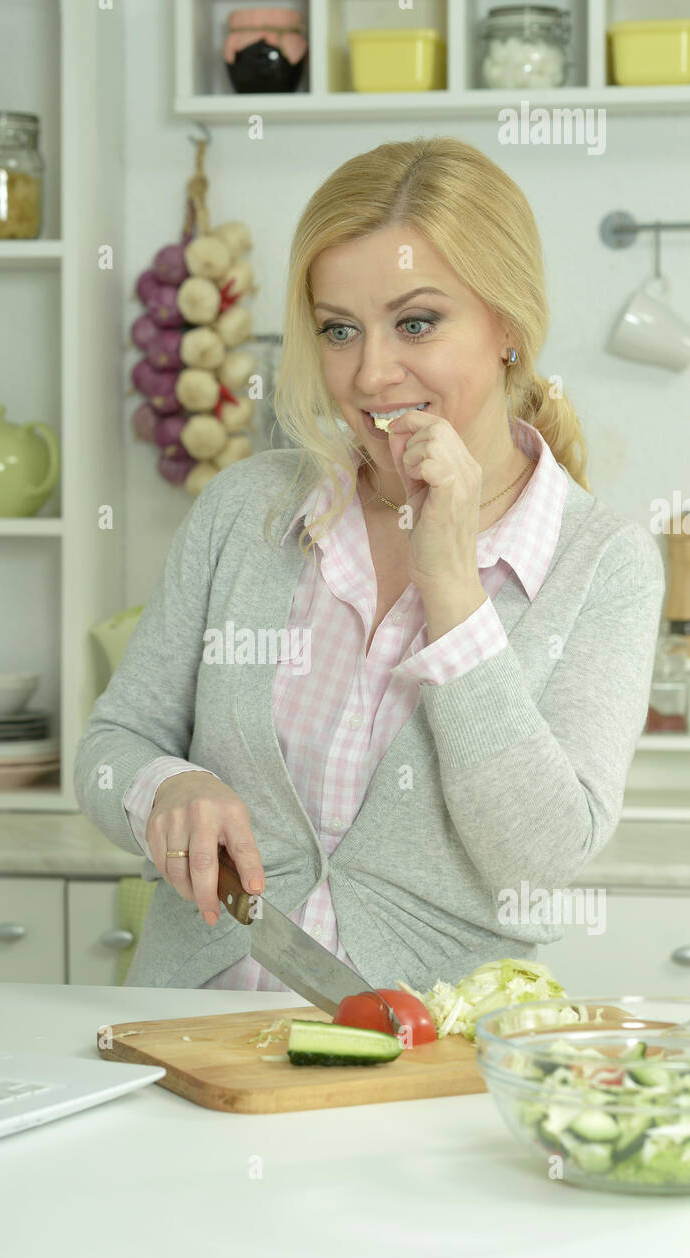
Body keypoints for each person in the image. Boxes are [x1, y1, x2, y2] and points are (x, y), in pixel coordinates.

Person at [73, 136, 665, 994]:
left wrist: (453, 589)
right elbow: (112, 743)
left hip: (425, 1070)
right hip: (192, 1044)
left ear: (507, 325)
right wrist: (165, 787)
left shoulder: (603, 562)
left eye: (416, 323)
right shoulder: (247, 511)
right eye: (339, 331)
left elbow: (538, 857)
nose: (372, 375)